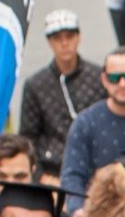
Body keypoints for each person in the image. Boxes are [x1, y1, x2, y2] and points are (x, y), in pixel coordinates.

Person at [57, 47, 125, 208]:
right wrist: (77, 210)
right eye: (115, 78)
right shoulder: (85, 122)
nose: (123, 84)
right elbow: (72, 175)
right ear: (104, 80)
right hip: (98, 213)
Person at [19, 9, 106, 166]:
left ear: (78, 38)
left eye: (69, 37)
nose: (64, 43)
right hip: (54, 164)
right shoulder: (36, 84)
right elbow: (28, 137)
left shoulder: (98, 76)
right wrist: (40, 174)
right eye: (57, 38)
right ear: (49, 42)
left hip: (97, 158)